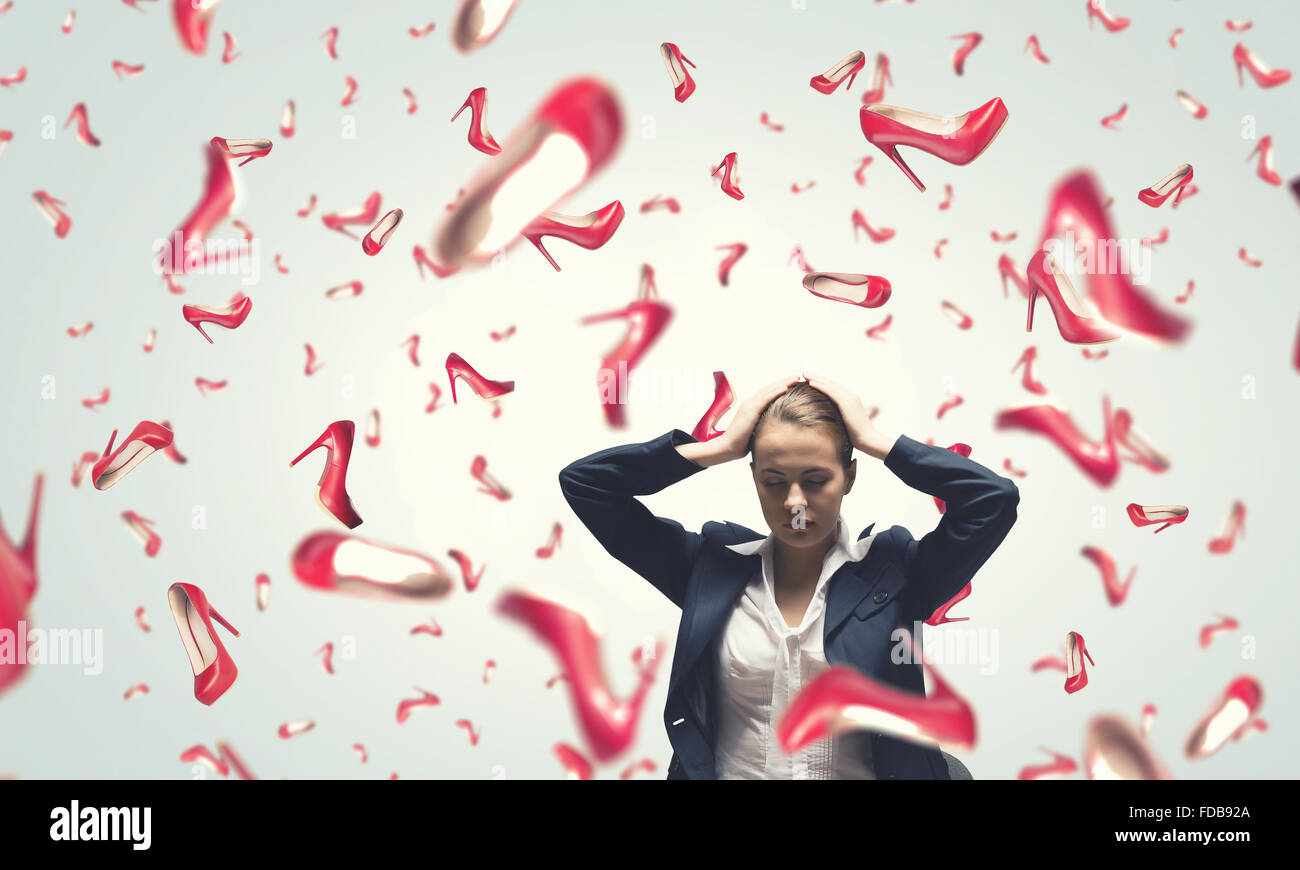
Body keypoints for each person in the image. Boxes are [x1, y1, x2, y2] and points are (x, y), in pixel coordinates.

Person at [557, 373, 1019, 779]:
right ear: (753, 476)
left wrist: (878, 442)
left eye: (816, 480)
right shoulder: (709, 569)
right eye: (774, 482)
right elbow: (587, 485)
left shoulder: (895, 574)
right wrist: (716, 448)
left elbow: (992, 500)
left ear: (850, 477)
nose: (795, 501)